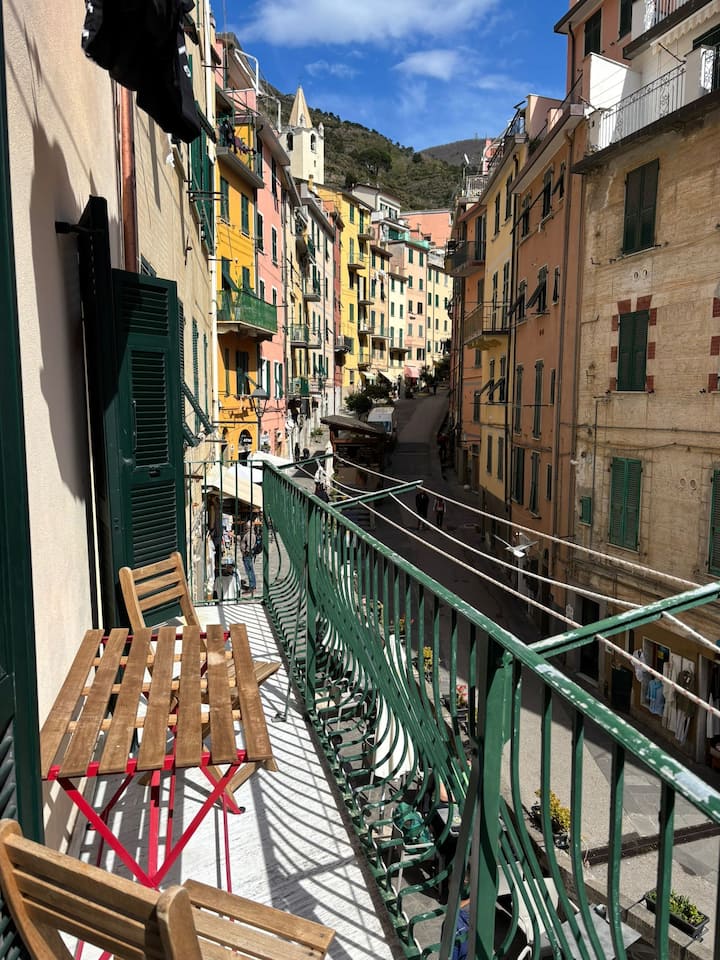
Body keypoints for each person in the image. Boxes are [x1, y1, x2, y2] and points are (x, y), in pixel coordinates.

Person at [240, 522, 257, 595]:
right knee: (249, 571)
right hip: (246, 555)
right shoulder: (247, 534)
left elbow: (250, 546)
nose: (244, 526)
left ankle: (252, 587)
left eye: (245, 525)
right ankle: (252, 586)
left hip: (247, 556)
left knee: (250, 571)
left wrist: (245, 553)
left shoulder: (250, 535)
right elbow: (242, 540)